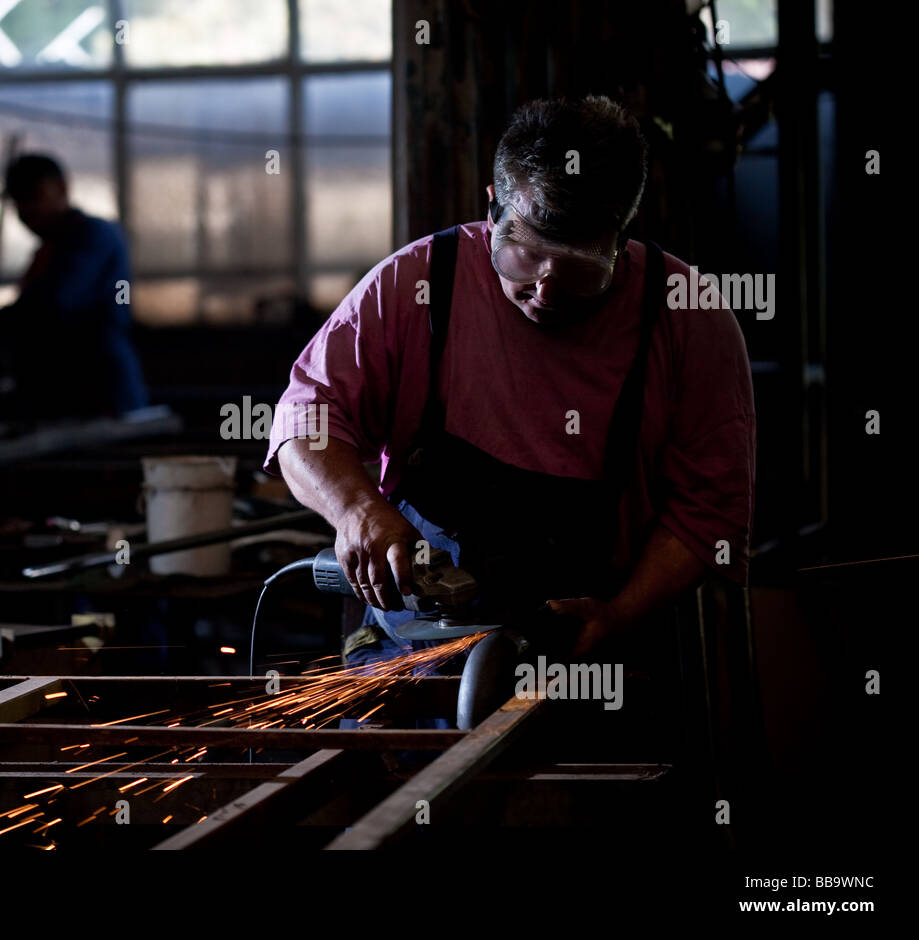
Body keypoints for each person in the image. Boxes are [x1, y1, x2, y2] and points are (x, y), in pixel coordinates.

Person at [265, 96, 755, 696]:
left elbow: (711, 512)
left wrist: (622, 614)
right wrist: (357, 510)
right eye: (524, 256)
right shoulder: (416, 285)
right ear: (492, 209)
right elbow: (303, 422)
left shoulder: (686, 315)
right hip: (411, 662)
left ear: (621, 236)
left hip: (593, 663)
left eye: (578, 266)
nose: (545, 291)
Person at [0, 153, 149, 420]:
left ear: (61, 189)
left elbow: (56, 301)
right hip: (65, 397)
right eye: (18, 201)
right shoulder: (49, 250)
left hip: (101, 392)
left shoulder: (94, 236)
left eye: (33, 196)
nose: (26, 210)